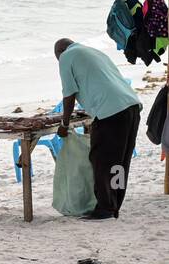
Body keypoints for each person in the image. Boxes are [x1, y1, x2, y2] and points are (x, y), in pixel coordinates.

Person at [54, 39, 142, 220]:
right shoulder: (94, 52)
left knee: (101, 159)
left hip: (111, 112)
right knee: (119, 162)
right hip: (131, 106)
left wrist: (64, 124)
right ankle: (114, 203)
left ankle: (105, 208)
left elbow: (69, 96)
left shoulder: (66, 57)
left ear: (60, 52)